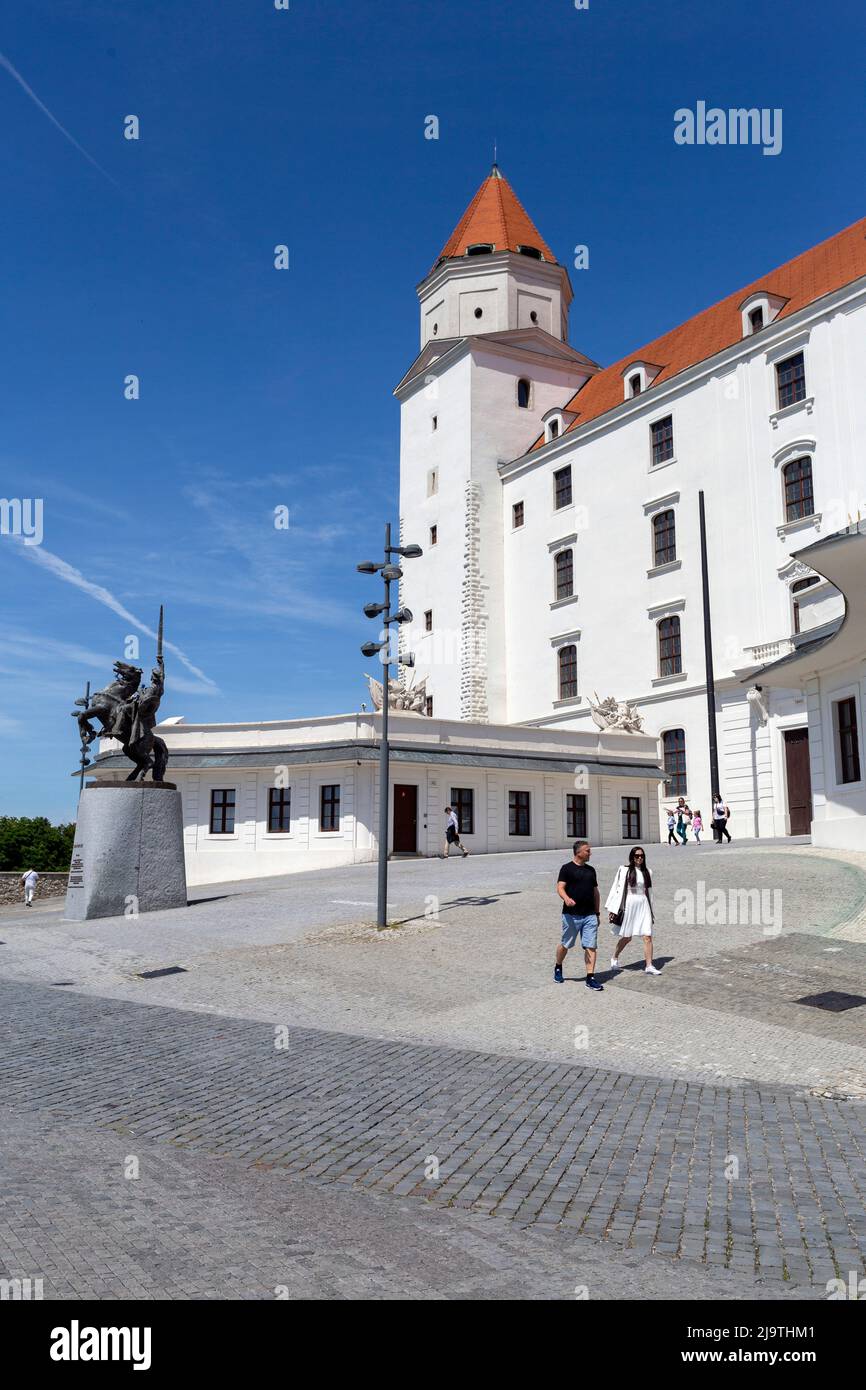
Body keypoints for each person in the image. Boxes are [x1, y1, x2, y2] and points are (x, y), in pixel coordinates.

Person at [554, 840, 603, 991]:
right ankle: (558, 966)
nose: (590, 853)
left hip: (589, 915)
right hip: (571, 915)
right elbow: (560, 887)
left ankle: (590, 977)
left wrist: (597, 912)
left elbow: (595, 892)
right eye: (587, 850)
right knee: (566, 944)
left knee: (591, 946)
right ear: (578, 852)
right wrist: (566, 898)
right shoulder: (566, 869)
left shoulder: (591, 870)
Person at [606, 847, 660, 974]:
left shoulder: (648, 872)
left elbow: (649, 892)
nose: (639, 858)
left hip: (643, 904)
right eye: (637, 856)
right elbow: (616, 889)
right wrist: (612, 908)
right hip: (629, 904)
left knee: (647, 935)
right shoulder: (624, 870)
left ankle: (649, 965)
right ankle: (614, 958)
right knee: (627, 937)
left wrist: (652, 911)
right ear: (632, 857)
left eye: (642, 855)